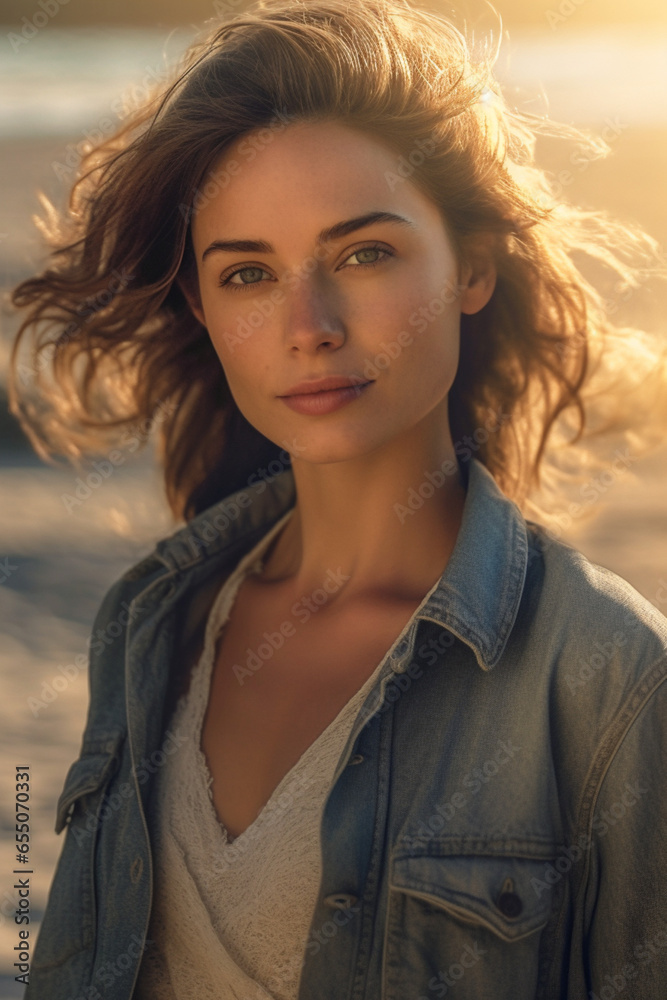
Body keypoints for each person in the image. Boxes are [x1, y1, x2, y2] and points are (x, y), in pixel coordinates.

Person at [9, 1, 667, 997]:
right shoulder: (149, 622)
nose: (306, 325)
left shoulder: (611, 680)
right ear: (201, 306)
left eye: (363, 254)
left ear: (472, 264)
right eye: (247, 274)